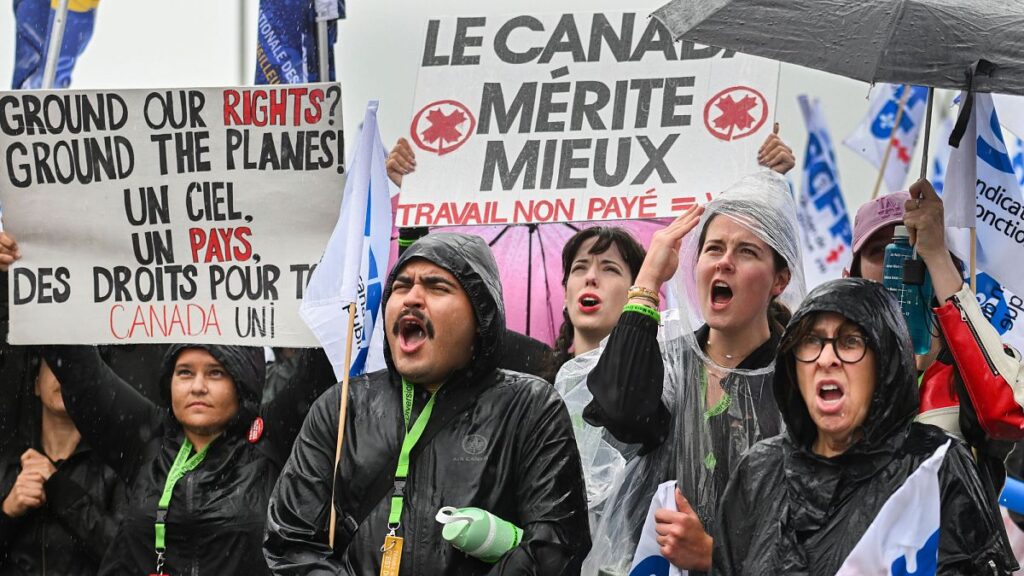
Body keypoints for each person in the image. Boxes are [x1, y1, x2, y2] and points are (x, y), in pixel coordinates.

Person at [264, 232, 591, 574]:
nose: (412, 299)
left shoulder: (531, 408)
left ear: (480, 316)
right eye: (401, 286)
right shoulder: (343, 406)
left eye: (437, 287)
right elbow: (290, 541)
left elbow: (555, 546)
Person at [580, 171, 806, 575]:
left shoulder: (799, 380)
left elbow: (809, 529)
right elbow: (620, 412)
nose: (724, 262)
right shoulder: (669, 365)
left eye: (747, 252)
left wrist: (712, 556)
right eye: (713, 248)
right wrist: (647, 280)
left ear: (780, 280)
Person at [713, 278, 1017, 575]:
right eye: (811, 341)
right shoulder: (759, 470)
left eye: (850, 342)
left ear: (885, 362)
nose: (826, 359)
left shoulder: (935, 467)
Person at [848, 181, 1024, 501]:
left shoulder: (974, 371)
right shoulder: (830, 367)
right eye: (878, 252)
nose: (897, 262)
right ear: (851, 278)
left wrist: (936, 254)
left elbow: (1005, 414)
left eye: (911, 245)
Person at [0, 355, 124, 575]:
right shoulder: (7, 463)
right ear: (36, 384)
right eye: (53, 362)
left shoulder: (117, 466)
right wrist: (7, 512)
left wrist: (60, 489)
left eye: (76, 363)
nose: (64, 372)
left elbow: (128, 554)